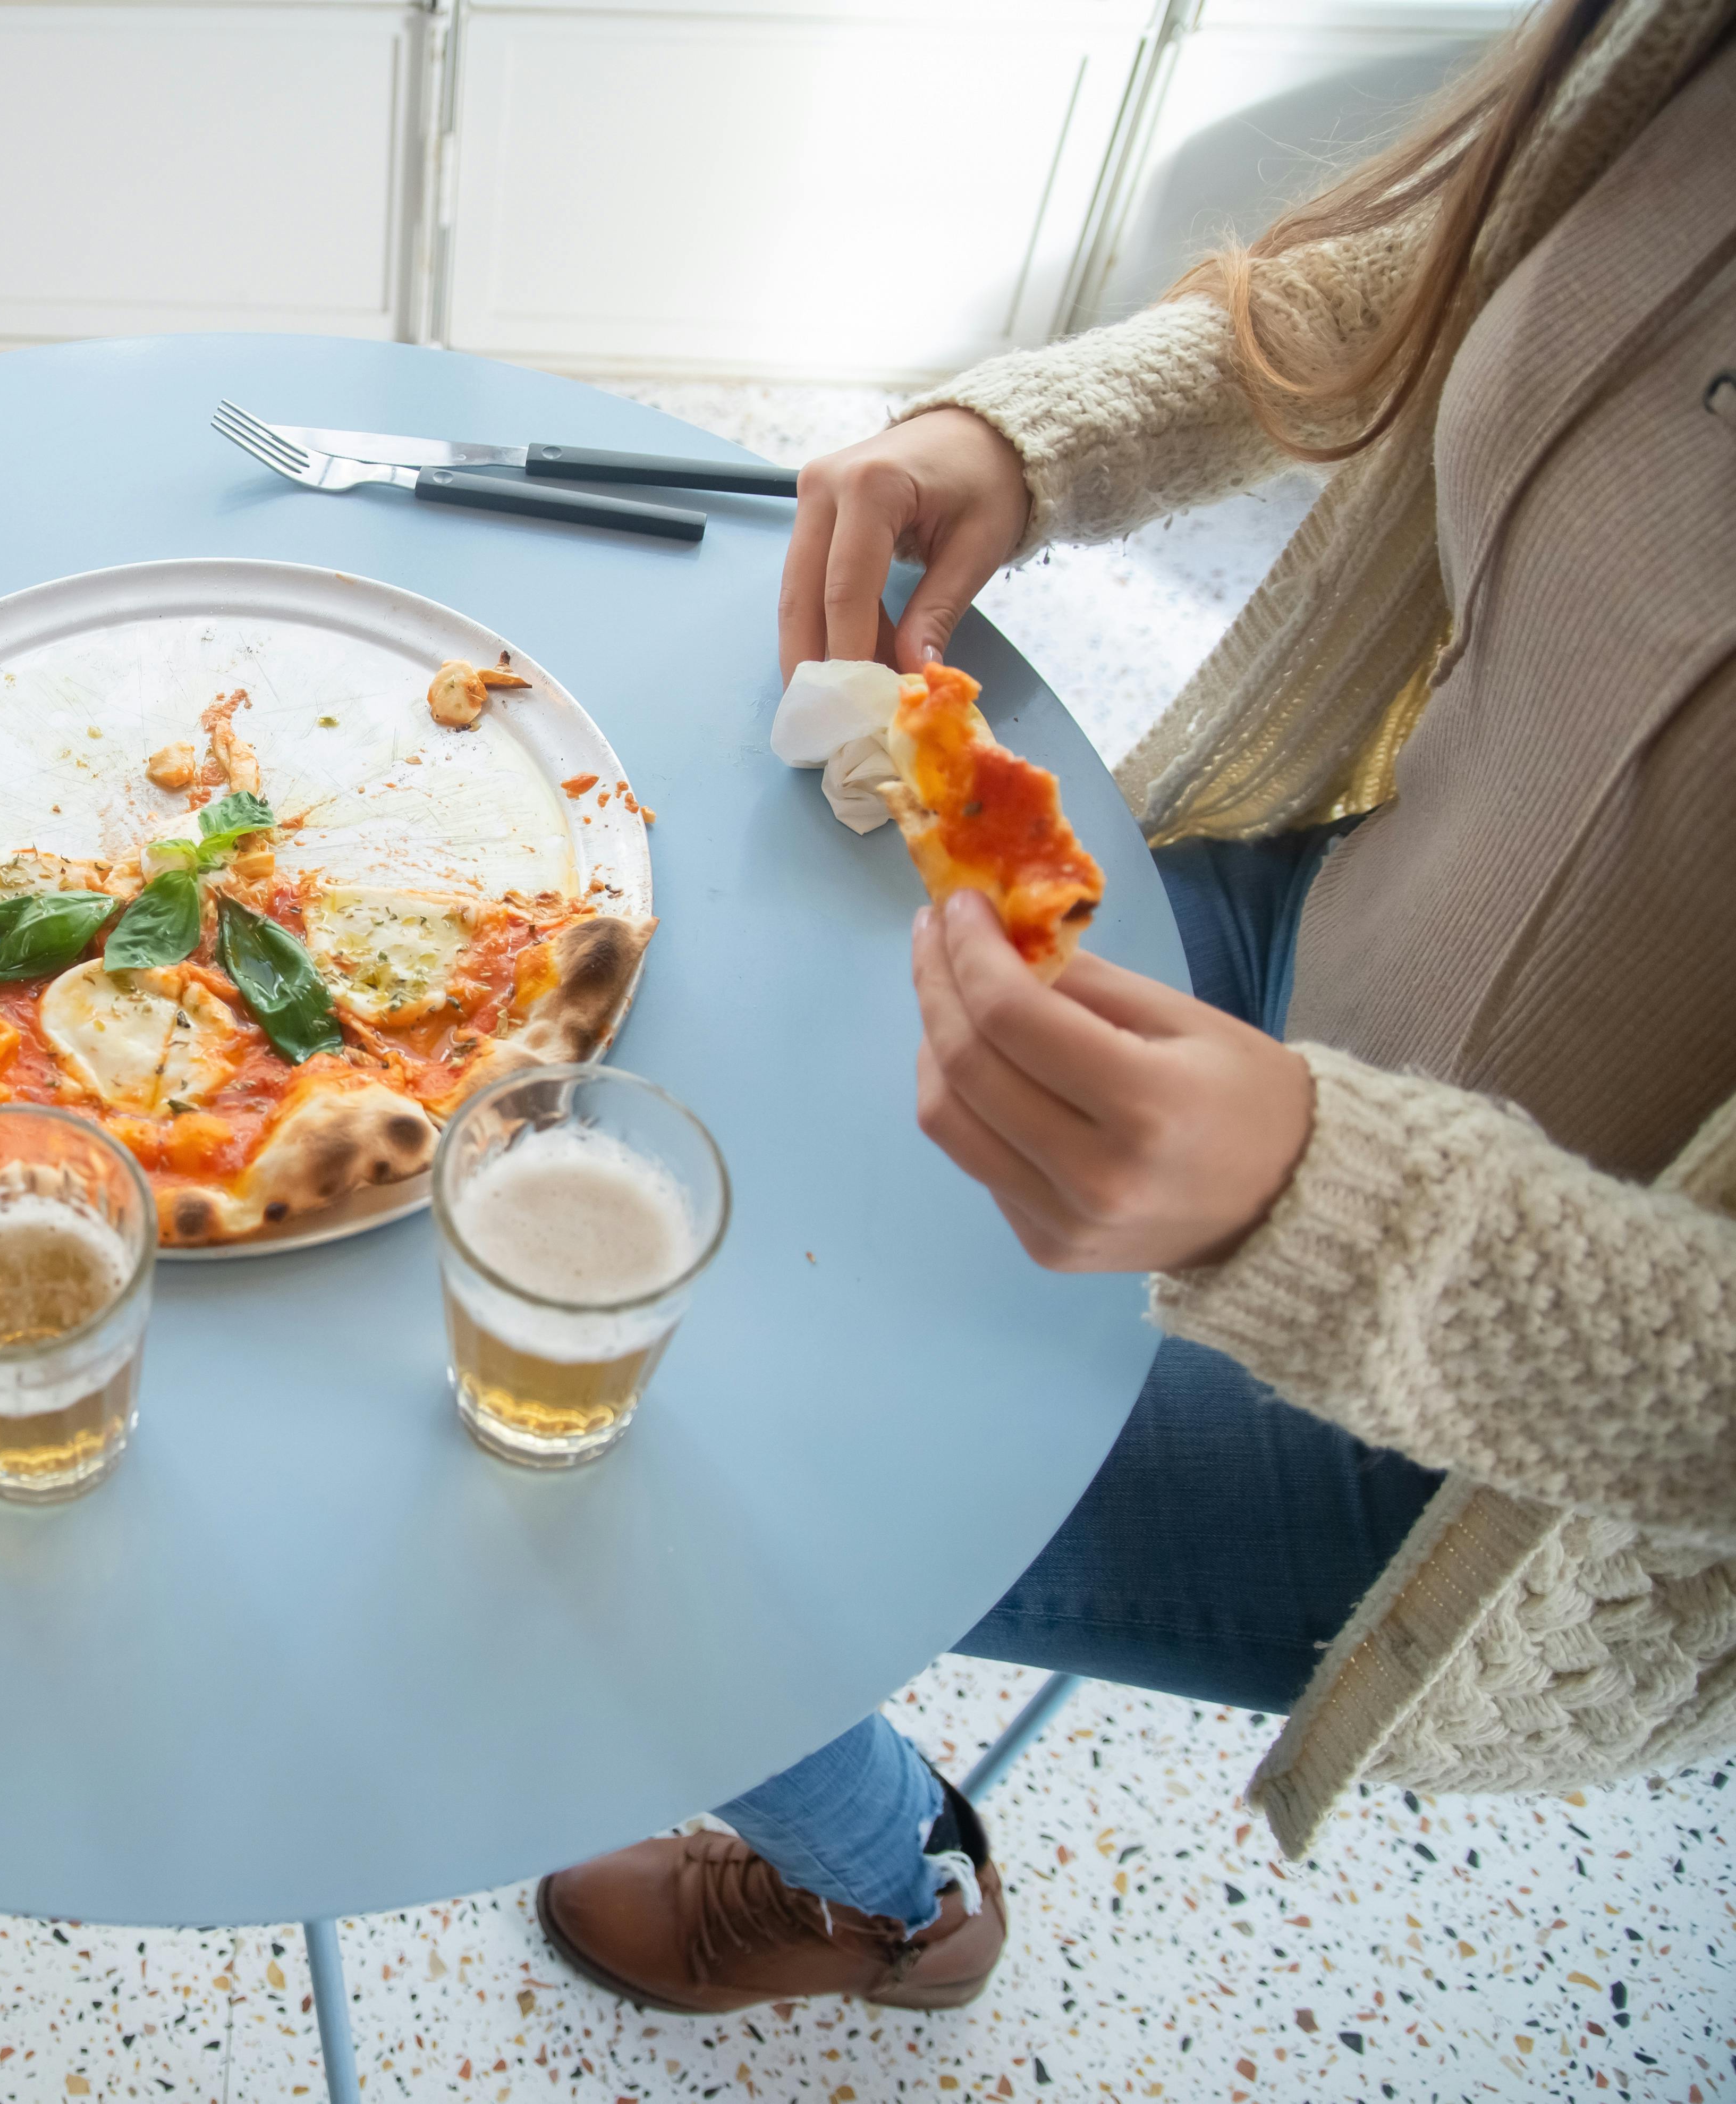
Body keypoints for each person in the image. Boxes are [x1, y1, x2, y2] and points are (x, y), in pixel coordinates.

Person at [537, 0, 1736, 2016]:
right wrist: (1019, 435)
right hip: (1305, 944)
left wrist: (1319, 1207)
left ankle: (893, 1896)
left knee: (622, 1500)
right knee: (662, 1049)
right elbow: (1424, 277)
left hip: (1515, 1443)